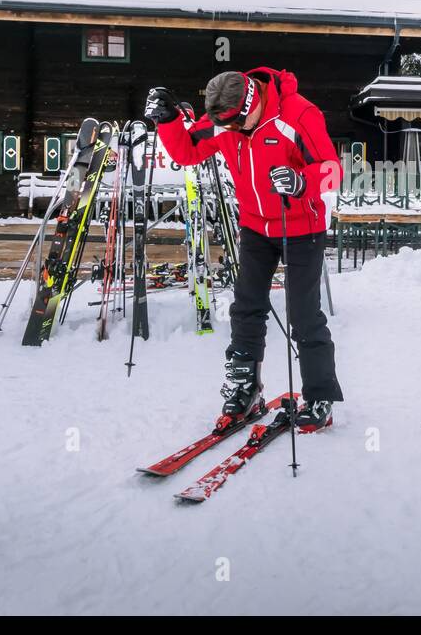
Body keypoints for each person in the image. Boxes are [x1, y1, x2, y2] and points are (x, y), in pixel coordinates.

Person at [147, 67, 343, 433]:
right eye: (227, 125)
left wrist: (302, 181)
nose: (232, 131)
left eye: (238, 123)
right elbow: (189, 151)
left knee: (303, 314)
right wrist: (169, 120)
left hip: (302, 226)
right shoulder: (225, 120)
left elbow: (332, 170)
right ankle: (245, 389)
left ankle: (319, 396)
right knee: (246, 307)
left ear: (252, 102)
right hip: (255, 225)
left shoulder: (298, 115)